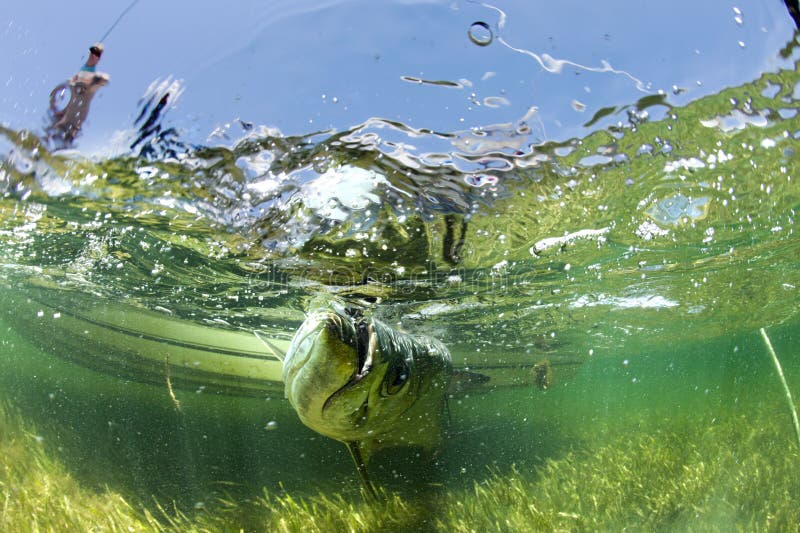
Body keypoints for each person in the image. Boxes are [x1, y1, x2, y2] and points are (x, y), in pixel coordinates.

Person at [45, 43, 110, 149]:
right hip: (62, 118)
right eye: (93, 51)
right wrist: (55, 107)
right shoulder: (75, 78)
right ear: (89, 52)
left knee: (64, 145)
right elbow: (59, 91)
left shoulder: (95, 79)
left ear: (99, 58)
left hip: (75, 122)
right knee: (49, 137)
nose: (94, 55)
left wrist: (97, 80)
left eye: (98, 54)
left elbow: (104, 80)